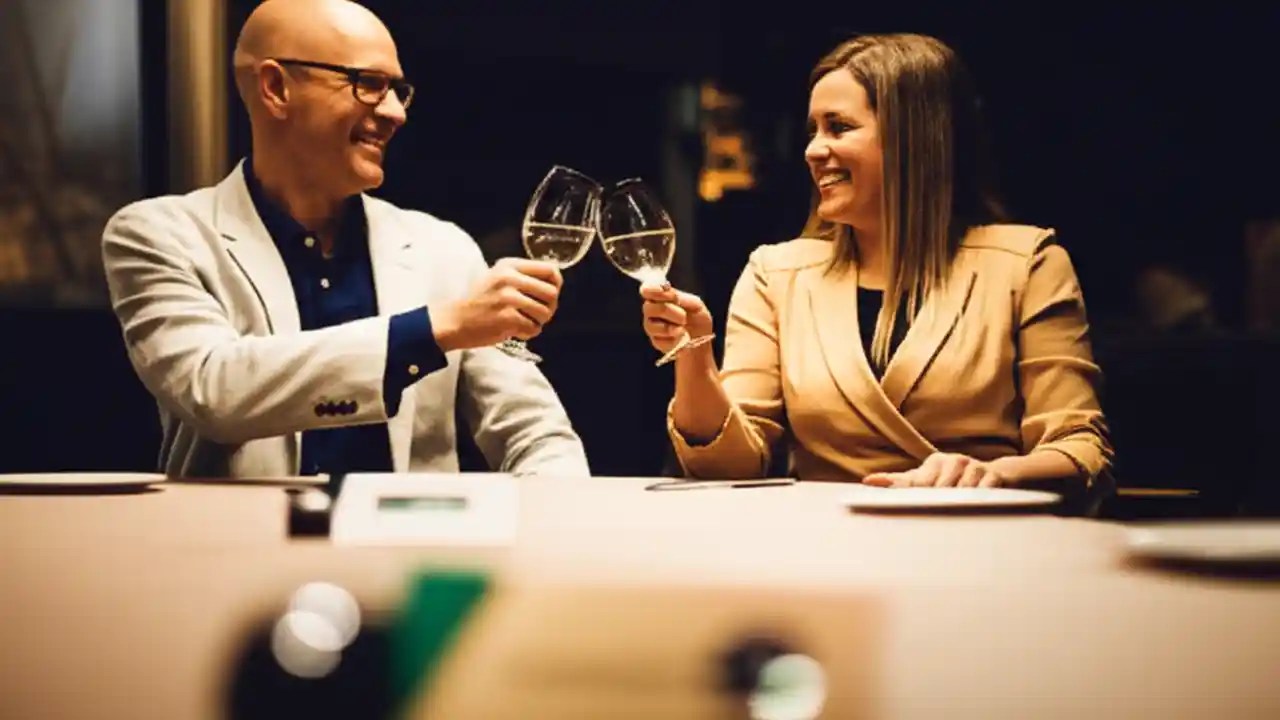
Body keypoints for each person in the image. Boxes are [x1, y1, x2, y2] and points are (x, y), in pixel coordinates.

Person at [102, 0, 588, 479]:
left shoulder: (444, 249)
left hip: (411, 551)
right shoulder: (158, 234)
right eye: (370, 84)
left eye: (400, 90)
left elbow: (536, 434)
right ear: (276, 88)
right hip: (235, 551)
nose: (396, 112)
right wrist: (438, 327)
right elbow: (213, 390)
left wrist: (555, 524)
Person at [641, 33, 1113, 498]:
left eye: (838, 127)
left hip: (979, 541)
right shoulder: (776, 273)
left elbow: (1080, 448)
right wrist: (694, 357)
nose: (812, 150)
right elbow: (729, 466)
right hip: (828, 548)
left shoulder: (1025, 264)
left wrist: (993, 474)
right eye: (813, 130)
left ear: (913, 137)